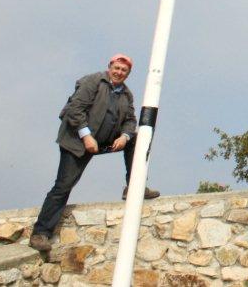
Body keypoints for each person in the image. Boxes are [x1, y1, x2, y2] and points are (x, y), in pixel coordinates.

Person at [29, 55, 159, 251]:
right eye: (116, 68)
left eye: (124, 70)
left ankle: (134, 186)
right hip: (76, 141)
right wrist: (86, 136)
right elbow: (75, 109)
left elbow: (130, 120)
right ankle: (41, 233)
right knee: (63, 186)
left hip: (102, 141)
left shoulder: (126, 94)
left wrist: (124, 136)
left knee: (138, 138)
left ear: (128, 74)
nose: (119, 72)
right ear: (110, 67)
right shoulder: (93, 81)